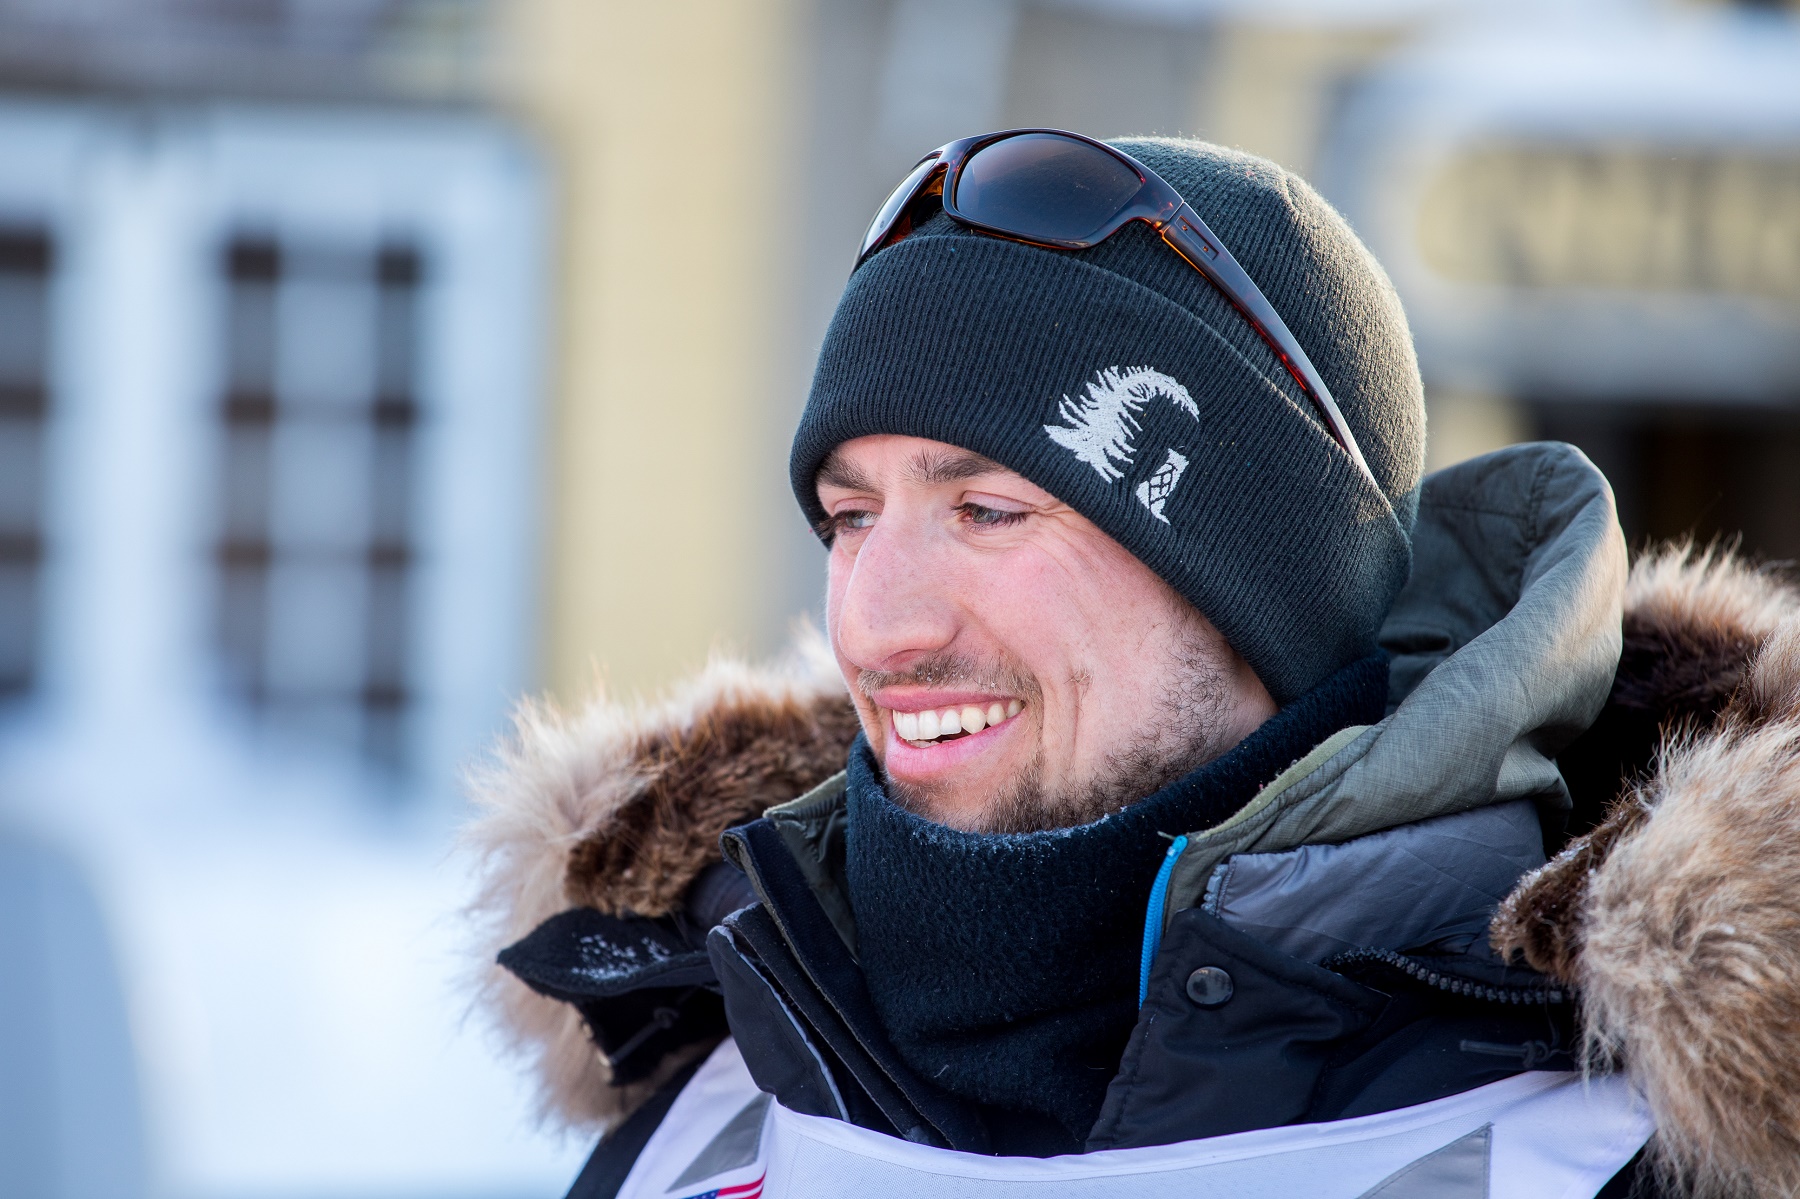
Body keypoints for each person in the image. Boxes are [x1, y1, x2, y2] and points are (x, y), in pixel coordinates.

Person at [468, 133, 1800, 1199]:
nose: (876, 627)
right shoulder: (720, 1100)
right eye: (850, 515)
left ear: (1267, 585)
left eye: (989, 510)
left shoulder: (1637, 1145)